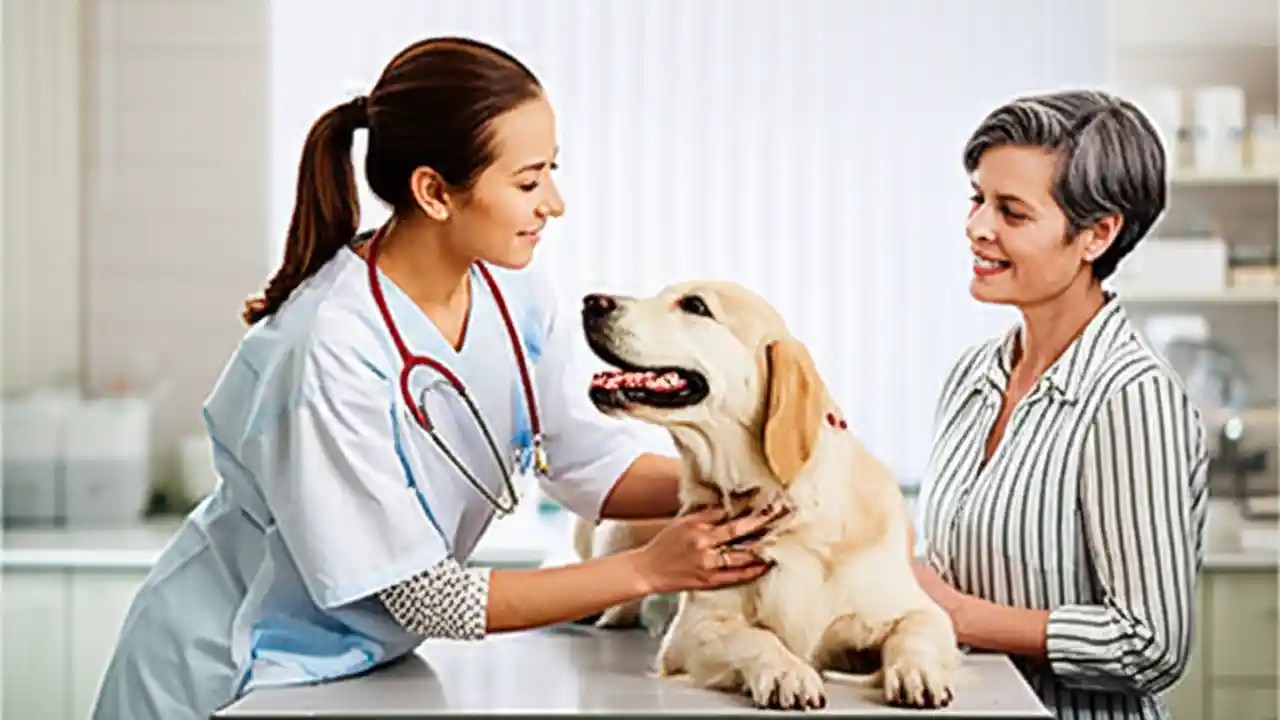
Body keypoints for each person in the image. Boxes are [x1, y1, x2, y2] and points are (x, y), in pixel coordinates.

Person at [91, 36, 783, 720]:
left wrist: (758, 482)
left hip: (359, 668)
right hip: (231, 672)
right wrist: (647, 569)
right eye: (528, 180)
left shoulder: (515, 294)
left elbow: (585, 465)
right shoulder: (331, 344)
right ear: (434, 192)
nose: (555, 203)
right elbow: (426, 597)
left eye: (552, 170)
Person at [911, 89, 1209, 719]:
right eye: (977, 199)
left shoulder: (1131, 398)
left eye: (1011, 212)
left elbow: (1151, 643)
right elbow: (944, 573)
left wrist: (962, 615)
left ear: (1097, 235)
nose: (976, 228)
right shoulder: (971, 376)